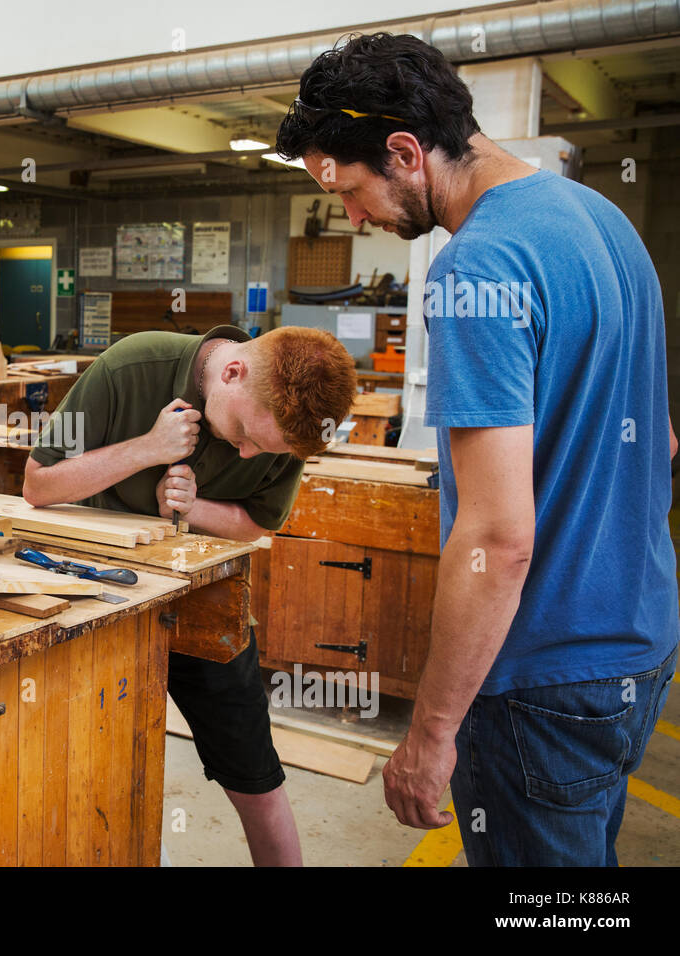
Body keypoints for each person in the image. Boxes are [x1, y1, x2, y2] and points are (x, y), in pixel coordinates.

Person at [275, 32, 679, 866]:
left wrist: (430, 734)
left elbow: (497, 542)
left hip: (543, 682)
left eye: (349, 191)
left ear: (404, 151)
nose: (353, 219)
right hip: (640, 646)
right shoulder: (604, 220)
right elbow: (659, 441)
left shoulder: (475, 267)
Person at [24, 323, 356, 865]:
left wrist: (191, 509)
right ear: (231, 372)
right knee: (86, 762)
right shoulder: (131, 367)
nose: (248, 454)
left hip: (206, 605)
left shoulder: (287, 425)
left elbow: (256, 525)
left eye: (261, 448)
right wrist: (146, 449)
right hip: (99, 604)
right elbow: (39, 485)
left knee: (254, 771)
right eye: (245, 434)